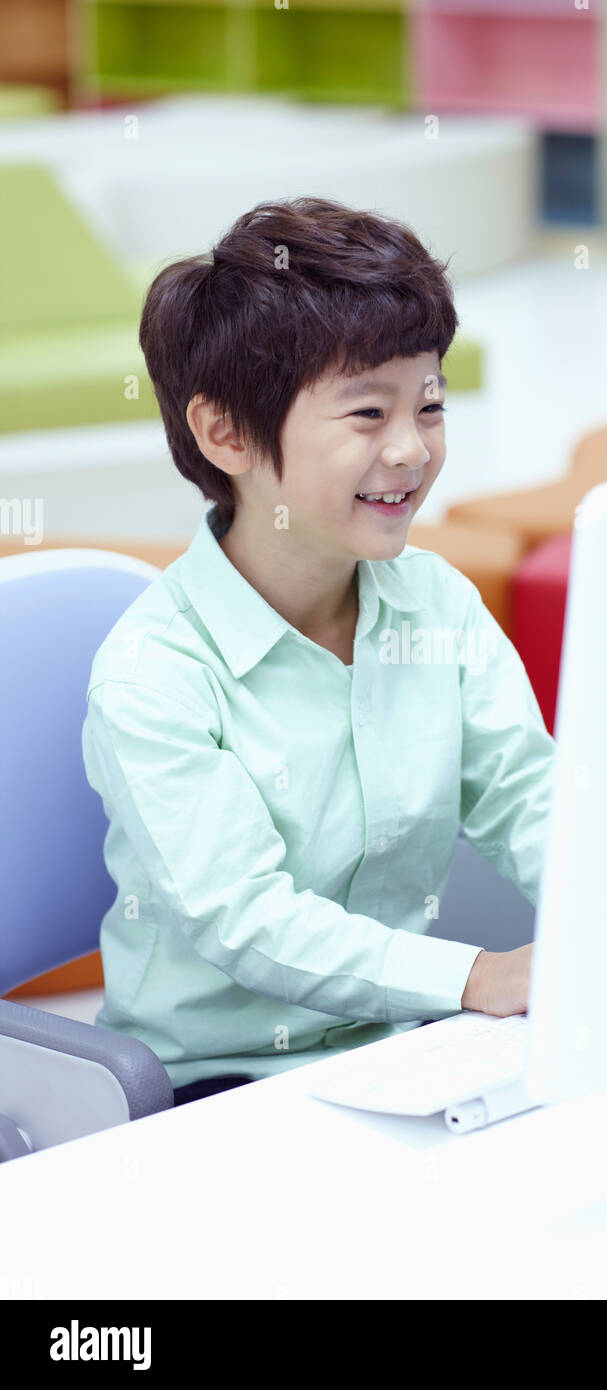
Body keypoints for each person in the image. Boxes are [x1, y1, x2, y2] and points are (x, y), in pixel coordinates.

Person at [81, 196, 556, 1106]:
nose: (412, 450)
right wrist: (474, 980)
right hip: (217, 1090)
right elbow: (247, 921)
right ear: (227, 434)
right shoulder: (156, 674)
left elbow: (528, 796)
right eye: (368, 414)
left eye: (430, 405)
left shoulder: (437, 606)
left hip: (407, 1054)